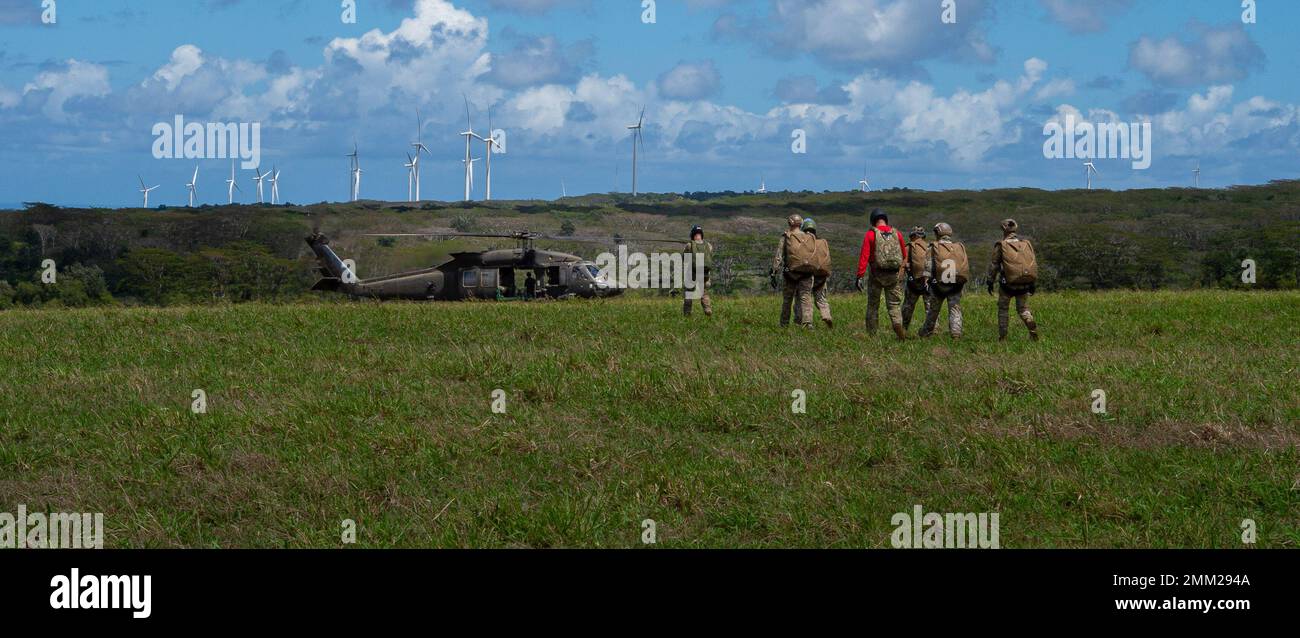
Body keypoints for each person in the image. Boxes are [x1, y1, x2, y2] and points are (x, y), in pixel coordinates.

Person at [855, 208, 909, 340]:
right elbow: (904, 255)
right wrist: (901, 273)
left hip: (876, 275)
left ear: (873, 221)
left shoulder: (871, 234)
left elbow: (864, 256)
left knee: (873, 305)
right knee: (894, 305)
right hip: (894, 275)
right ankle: (897, 325)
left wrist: (859, 276)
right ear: (885, 219)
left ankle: (872, 335)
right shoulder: (897, 234)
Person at [986, 218, 1040, 341]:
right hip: (1024, 283)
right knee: (1023, 309)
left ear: (1004, 229)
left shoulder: (1002, 245)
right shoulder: (1026, 244)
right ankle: (1030, 322)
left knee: (1003, 309)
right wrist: (1032, 282)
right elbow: (1032, 263)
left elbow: (994, 265)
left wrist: (990, 281)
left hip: (1007, 285)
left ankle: (1003, 337)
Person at [919, 222, 967, 339]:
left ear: (937, 233)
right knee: (955, 309)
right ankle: (956, 333)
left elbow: (928, 266)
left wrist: (925, 281)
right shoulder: (958, 247)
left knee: (933, 310)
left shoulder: (933, 247)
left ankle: (927, 331)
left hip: (938, 285)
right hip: (956, 284)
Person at [771, 213, 814, 328]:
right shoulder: (808, 236)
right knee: (806, 298)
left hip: (789, 273)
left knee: (787, 299)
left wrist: (773, 272)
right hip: (806, 273)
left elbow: (779, 256)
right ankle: (807, 323)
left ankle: (784, 324)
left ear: (790, 222)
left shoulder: (786, 236)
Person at [796, 217, 833, 328]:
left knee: (805, 296)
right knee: (821, 298)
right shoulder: (822, 242)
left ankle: (807, 322)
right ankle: (827, 315)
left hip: (807, 275)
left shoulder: (802, 242)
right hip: (821, 275)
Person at [902, 226, 931, 331]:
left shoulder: (909, 247)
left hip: (913, 282)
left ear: (912, 235)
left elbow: (902, 265)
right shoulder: (930, 247)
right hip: (929, 283)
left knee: (908, 307)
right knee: (930, 308)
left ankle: (903, 329)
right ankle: (932, 329)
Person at [682, 225, 713, 317]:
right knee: (704, 293)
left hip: (692, 274)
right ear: (701, 235)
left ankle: (687, 314)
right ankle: (707, 309)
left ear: (692, 235)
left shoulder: (689, 245)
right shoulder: (709, 245)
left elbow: (684, 258)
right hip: (705, 274)